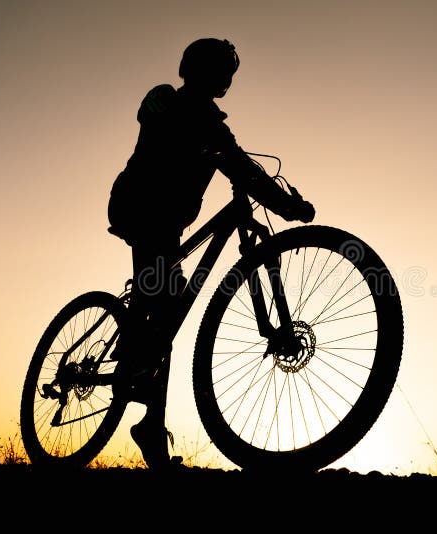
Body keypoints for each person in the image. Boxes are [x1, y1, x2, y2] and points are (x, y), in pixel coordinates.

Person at [106, 38, 315, 470]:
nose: (226, 81)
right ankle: (132, 359)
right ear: (199, 70)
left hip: (165, 218)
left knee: (167, 316)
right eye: (222, 72)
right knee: (163, 298)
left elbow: (241, 166)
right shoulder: (168, 101)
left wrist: (283, 205)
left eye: (228, 74)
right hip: (140, 206)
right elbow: (173, 126)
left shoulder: (211, 124)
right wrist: (286, 205)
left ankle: (150, 423)